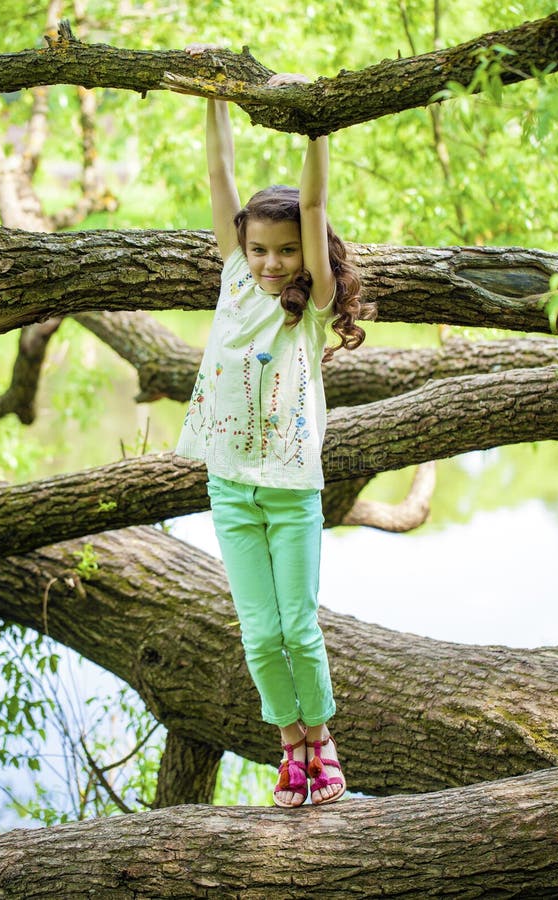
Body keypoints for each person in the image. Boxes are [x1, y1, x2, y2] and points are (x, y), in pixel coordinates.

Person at [175, 44, 365, 807]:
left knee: (299, 628)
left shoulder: (308, 310)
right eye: (260, 249)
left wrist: (318, 129)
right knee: (258, 634)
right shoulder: (233, 276)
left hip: (288, 495)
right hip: (230, 489)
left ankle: (323, 741)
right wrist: (216, 97)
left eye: (285, 253)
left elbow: (313, 208)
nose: (271, 263)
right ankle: (289, 749)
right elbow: (219, 176)